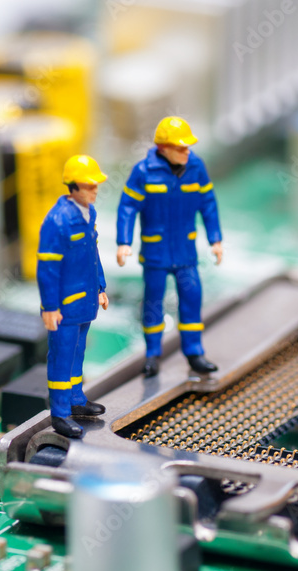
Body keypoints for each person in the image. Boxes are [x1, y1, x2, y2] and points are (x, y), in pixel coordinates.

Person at [117, 116, 223, 377]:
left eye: (188, 147)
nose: (187, 152)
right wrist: (124, 242)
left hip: (185, 253)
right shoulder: (144, 172)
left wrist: (216, 239)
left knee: (192, 298)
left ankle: (194, 353)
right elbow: (128, 207)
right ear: (163, 148)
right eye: (181, 148)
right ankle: (152, 354)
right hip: (156, 253)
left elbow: (208, 203)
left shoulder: (196, 167)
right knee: (153, 302)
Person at [37, 155, 109, 439]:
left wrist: (100, 288)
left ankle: (76, 399)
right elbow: (47, 268)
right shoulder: (57, 221)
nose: (95, 191)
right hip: (64, 306)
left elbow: (93, 256)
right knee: (62, 357)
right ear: (73, 186)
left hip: (86, 301)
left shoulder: (89, 215)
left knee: (78, 353)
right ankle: (60, 412)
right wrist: (49, 307)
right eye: (89, 186)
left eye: (95, 185)